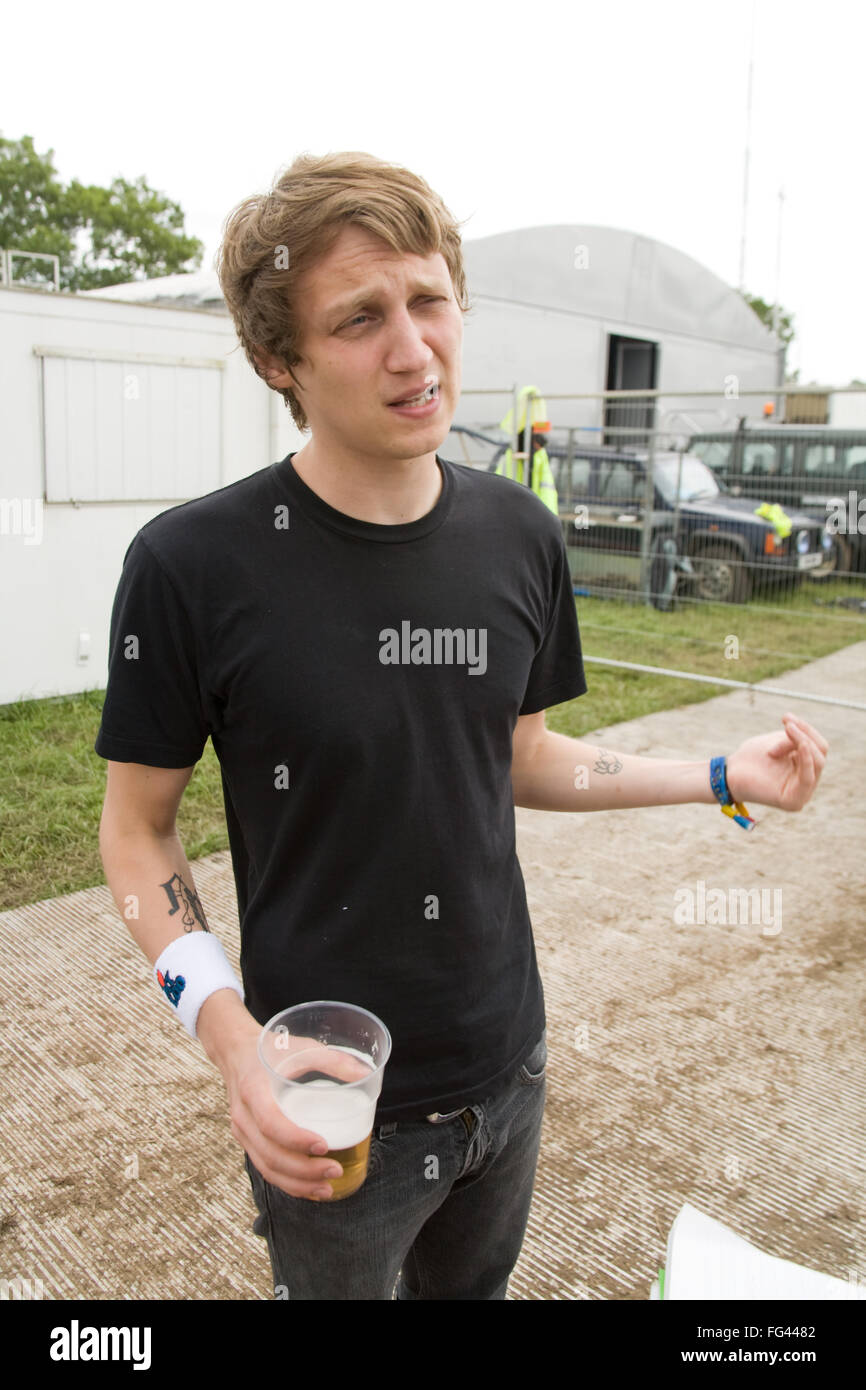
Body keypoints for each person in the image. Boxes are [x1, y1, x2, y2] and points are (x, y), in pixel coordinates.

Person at [95, 151, 828, 1302]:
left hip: (507, 1065)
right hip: (330, 1097)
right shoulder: (193, 567)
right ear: (278, 358)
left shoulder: (519, 535)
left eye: (428, 300)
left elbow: (521, 754)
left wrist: (720, 772)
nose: (412, 347)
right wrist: (237, 1045)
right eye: (359, 318)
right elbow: (136, 833)